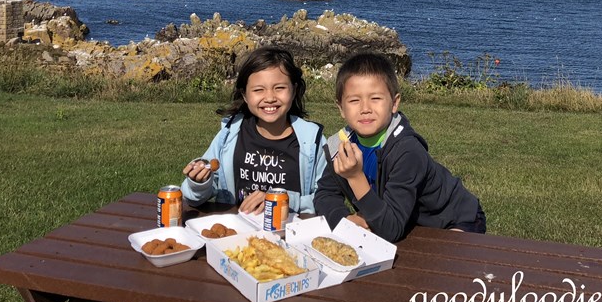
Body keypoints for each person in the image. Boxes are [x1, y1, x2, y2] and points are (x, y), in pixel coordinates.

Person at [313, 52, 486, 242]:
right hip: (401, 221)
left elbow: (390, 230)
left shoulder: (407, 151)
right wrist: (344, 221)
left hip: (453, 219)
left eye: (376, 98)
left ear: (394, 103)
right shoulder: (341, 145)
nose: (365, 108)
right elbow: (325, 194)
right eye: (354, 100)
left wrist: (355, 177)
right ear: (341, 108)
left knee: (437, 266)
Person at [182, 46, 326, 214]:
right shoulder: (230, 134)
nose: (270, 98)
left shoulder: (312, 141)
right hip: (236, 233)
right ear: (244, 95)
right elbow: (193, 197)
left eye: (279, 88)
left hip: (289, 234)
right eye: (258, 90)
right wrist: (198, 182)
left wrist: (283, 201)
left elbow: (327, 198)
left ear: (293, 91)